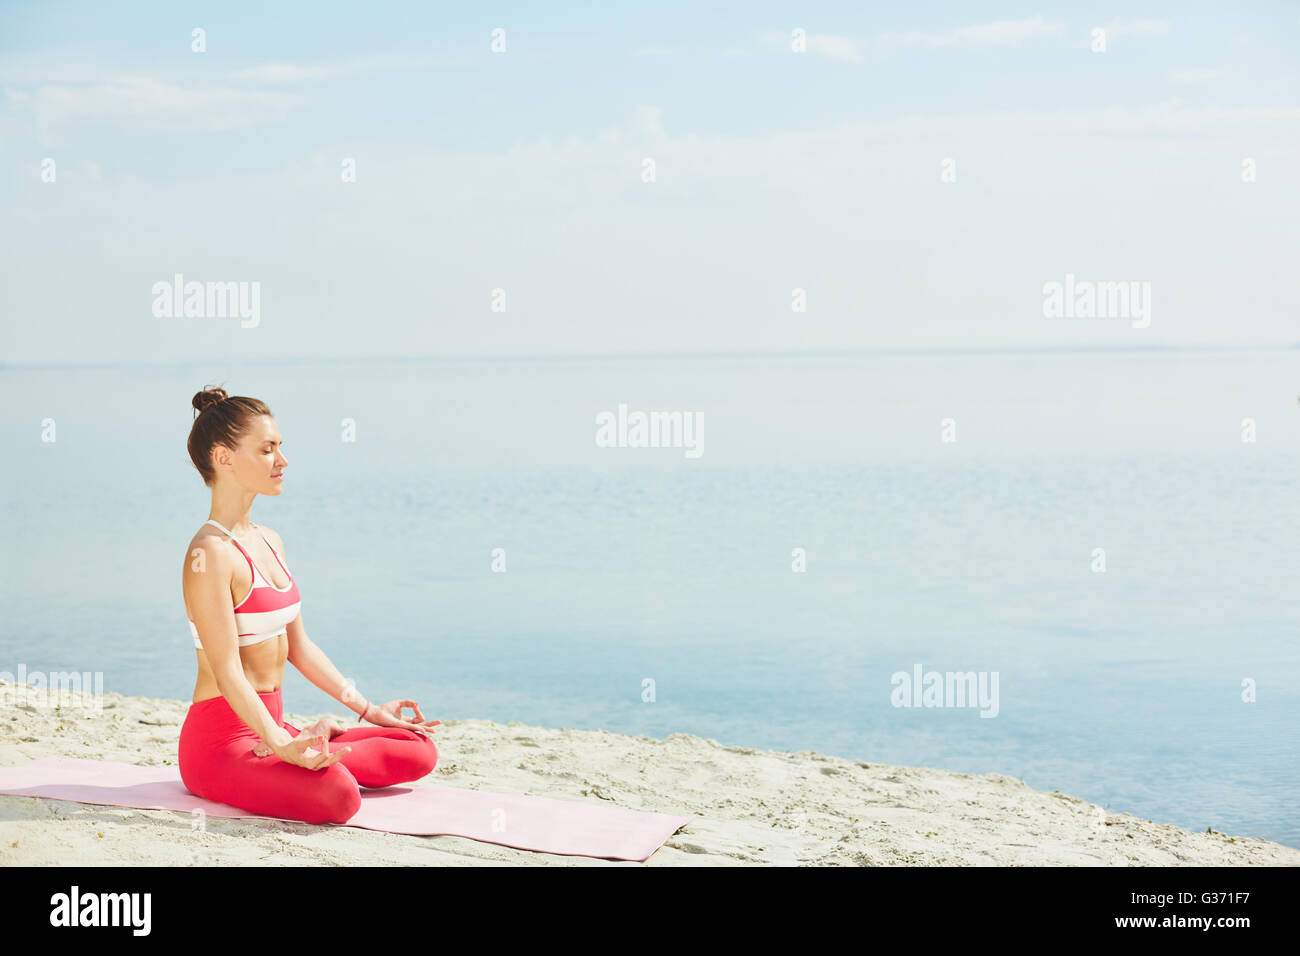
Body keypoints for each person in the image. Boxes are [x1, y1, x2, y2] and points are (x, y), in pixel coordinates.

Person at [179, 386, 440, 824]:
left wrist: (368, 709)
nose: (283, 461)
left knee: (417, 748)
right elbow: (227, 673)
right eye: (267, 450)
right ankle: (294, 749)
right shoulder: (209, 555)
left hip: (273, 730)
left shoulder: (269, 540)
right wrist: (280, 744)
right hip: (222, 746)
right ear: (224, 458)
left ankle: (314, 736)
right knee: (339, 796)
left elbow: (300, 648)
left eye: (280, 448)